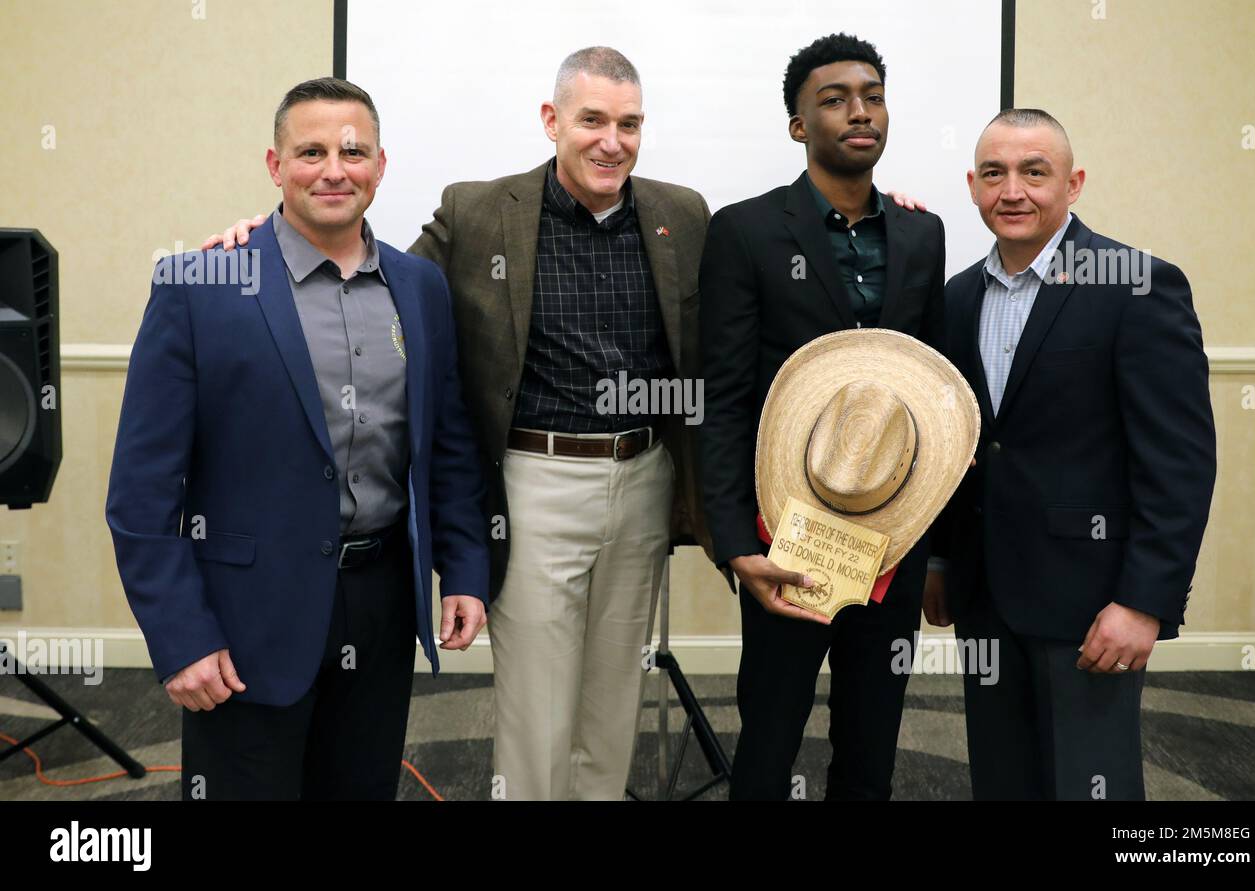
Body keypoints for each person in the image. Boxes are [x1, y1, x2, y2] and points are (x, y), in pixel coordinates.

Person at [207, 47, 711, 800]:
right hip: (535, 481)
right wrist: (271, 234)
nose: (613, 141)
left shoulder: (683, 213)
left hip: (643, 479)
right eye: (593, 120)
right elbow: (369, 282)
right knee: (537, 707)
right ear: (552, 121)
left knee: (613, 701)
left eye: (630, 124)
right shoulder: (479, 211)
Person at [107, 77, 489, 800]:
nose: (334, 169)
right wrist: (181, 636)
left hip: (379, 607)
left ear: (381, 165)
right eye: (310, 151)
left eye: (354, 151)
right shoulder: (201, 284)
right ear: (275, 166)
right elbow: (140, 493)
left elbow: (447, 444)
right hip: (245, 618)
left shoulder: (421, 288)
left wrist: (463, 567)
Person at [926, 108, 1216, 800]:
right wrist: (940, 558)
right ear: (972, 185)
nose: (1013, 190)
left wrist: (1143, 603)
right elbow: (960, 446)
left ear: (1074, 182)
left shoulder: (1138, 287)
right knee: (1002, 781)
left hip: (1092, 602)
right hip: (986, 593)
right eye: (994, 173)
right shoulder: (957, 298)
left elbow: (1178, 464)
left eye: (1035, 171)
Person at [697, 33, 946, 800]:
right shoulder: (744, 231)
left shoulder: (921, 232)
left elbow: (934, 397)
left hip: (892, 529)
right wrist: (737, 543)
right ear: (800, 126)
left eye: (871, 96)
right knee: (770, 736)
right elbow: (725, 395)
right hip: (789, 530)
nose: (859, 112)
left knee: (873, 737)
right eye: (834, 100)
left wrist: (937, 549)